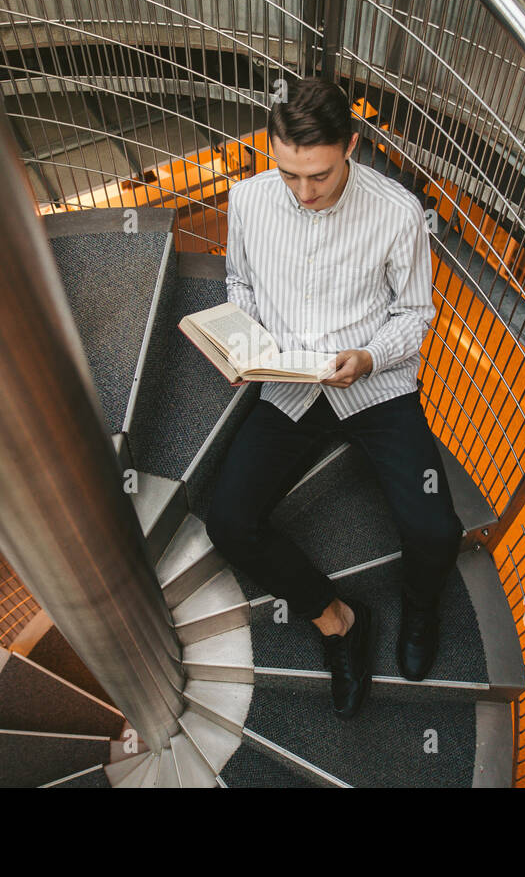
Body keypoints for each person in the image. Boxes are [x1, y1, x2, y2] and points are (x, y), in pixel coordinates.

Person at [204, 77, 465, 720]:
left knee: (435, 526)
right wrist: (246, 343)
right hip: (290, 384)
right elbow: (240, 281)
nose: (303, 192)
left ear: (350, 147)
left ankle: (421, 609)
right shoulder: (248, 200)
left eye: (317, 175)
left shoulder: (398, 211)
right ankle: (339, 620)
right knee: (229, 520)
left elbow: (415, 314)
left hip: (373, 384)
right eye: (289, 174)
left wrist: (370, 357)